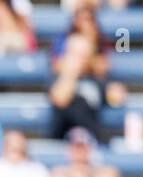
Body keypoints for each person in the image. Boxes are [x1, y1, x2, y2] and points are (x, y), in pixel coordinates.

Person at [49, 2, 124, 143]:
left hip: (91, 135)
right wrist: (72, 71)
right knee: (75, 104)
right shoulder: (61, 76)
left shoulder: (99, 77)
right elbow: (60, 98)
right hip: (65, 136)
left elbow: (116, 97)